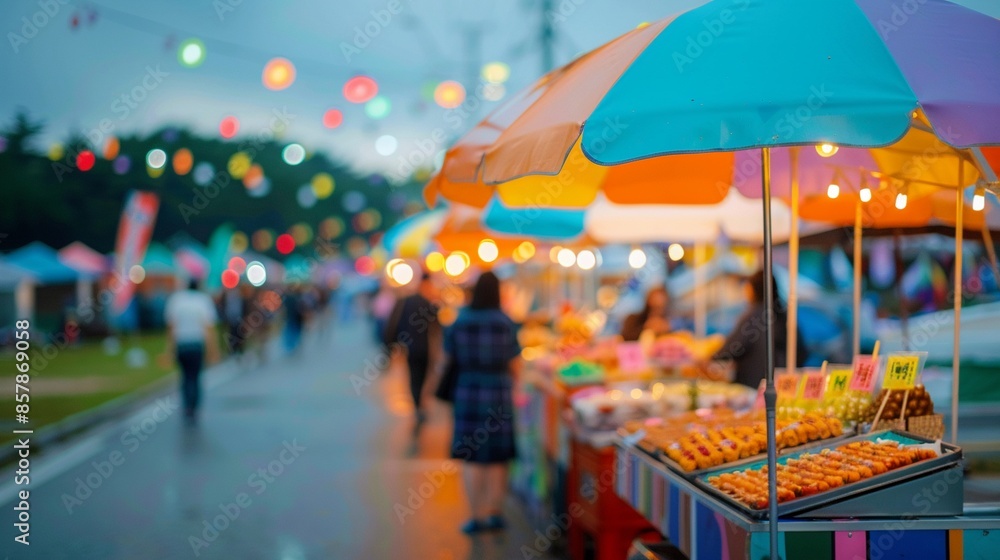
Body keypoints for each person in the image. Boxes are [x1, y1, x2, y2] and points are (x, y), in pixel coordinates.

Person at [445, 272, 521, 534]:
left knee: (472, 455)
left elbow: (447, 358)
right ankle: (495, 512)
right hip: (498, 389)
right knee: (498, 456)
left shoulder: (461, 321)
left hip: (468, 388)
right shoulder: (506, 322)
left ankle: (475, 516)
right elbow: (515, 363)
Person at [712, 270, 808, 389]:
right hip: (784, 386)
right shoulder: (784, 314)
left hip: (754, 385)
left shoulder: (754, 316)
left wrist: (710, 356)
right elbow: (802, 352)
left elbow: (730, 350)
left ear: (753, 289)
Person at [383, 273, 441, 424]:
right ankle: (419, 403)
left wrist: (391, 347)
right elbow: (437, 327)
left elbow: (394, 325)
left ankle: (417, 404)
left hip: (411, 348)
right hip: (425, 348)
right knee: (422, 376)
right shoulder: (428, 303)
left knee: (414, 376)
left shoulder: (406, 302)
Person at [164, 279, 220, 421]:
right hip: (196, 343)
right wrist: (213, 349)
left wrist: (169, 349)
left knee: (185, 376)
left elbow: (171, 327)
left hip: (182, 343)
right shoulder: (203, 300)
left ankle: (187, 405)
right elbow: (208, 328)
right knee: (195, 376)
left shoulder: (176, 300)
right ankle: (193, 406)